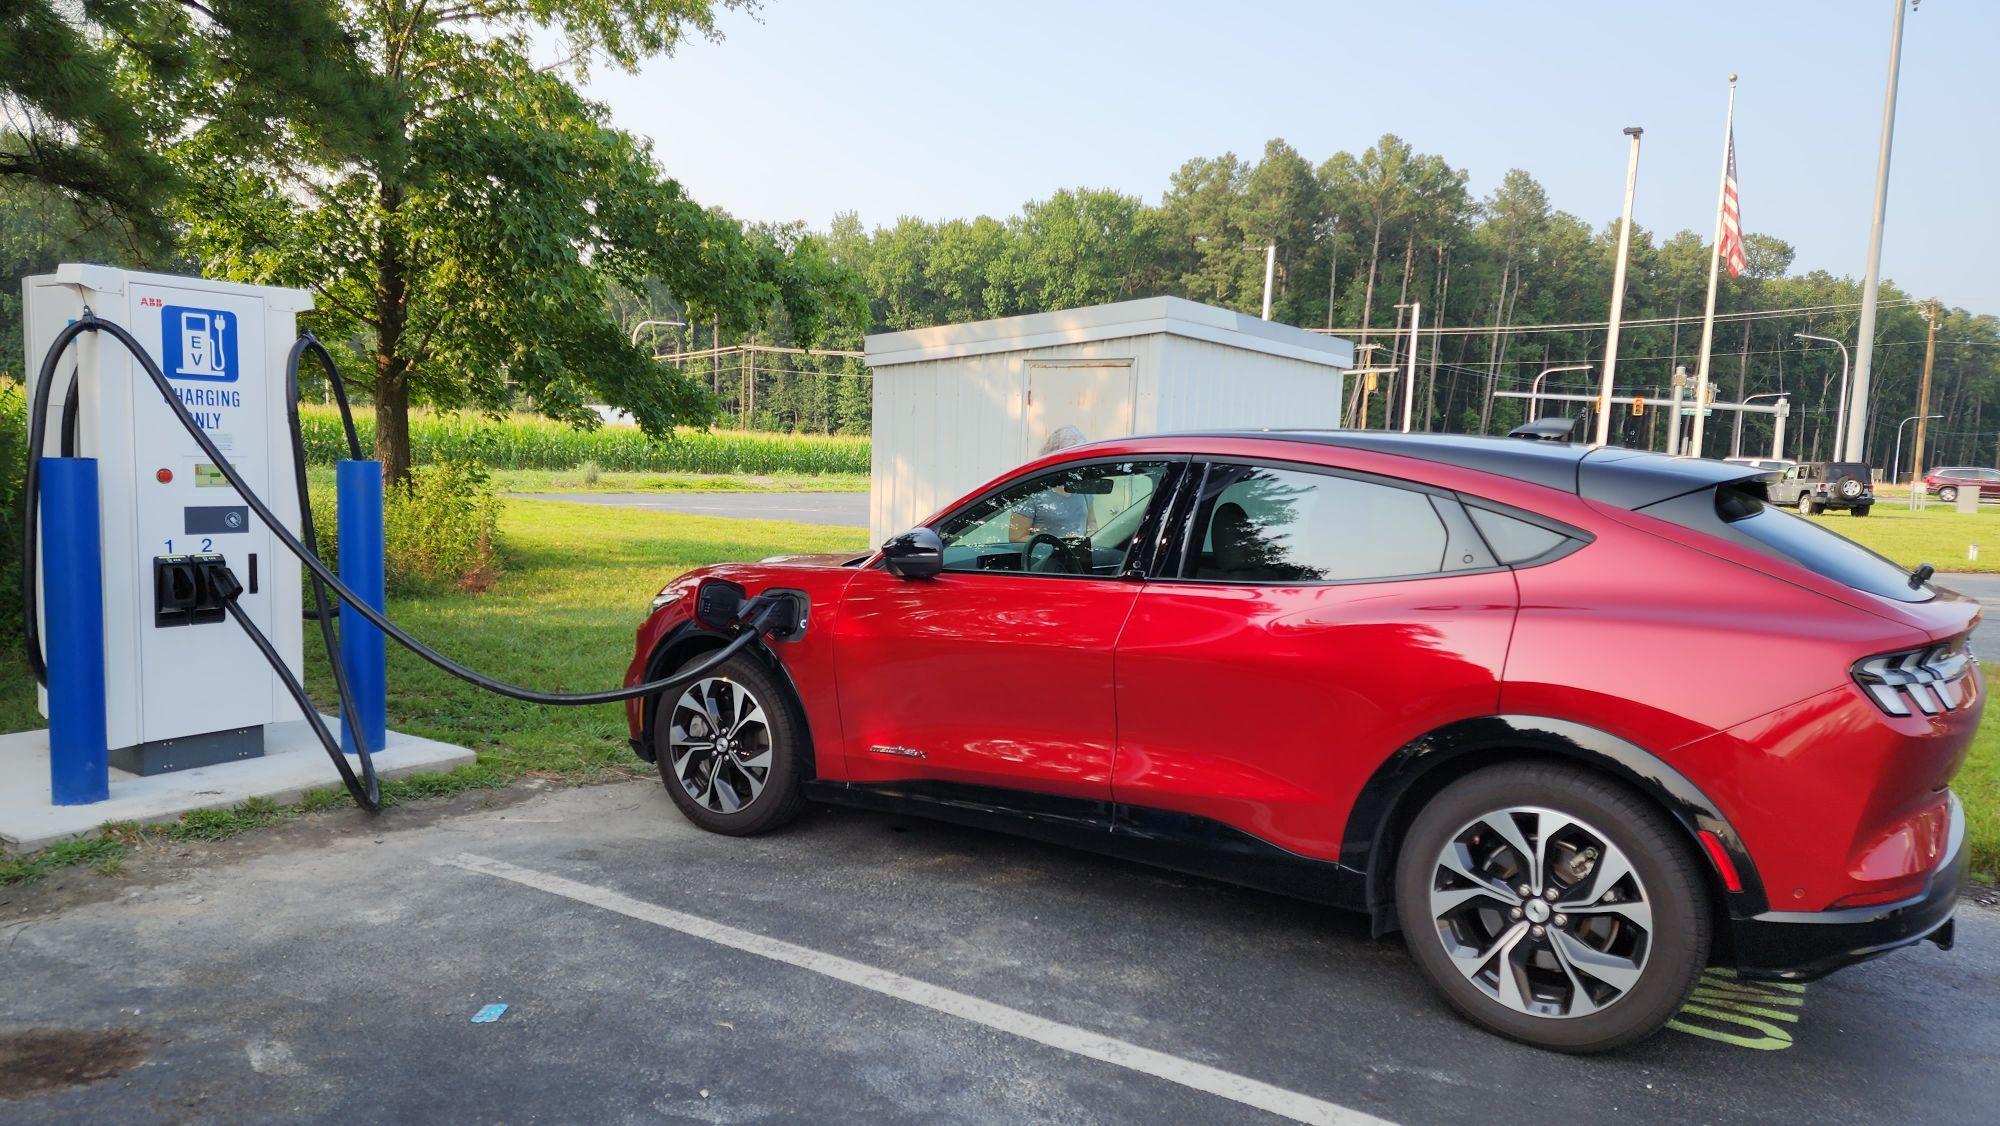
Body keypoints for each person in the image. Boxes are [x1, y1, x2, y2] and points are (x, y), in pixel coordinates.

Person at [1010, 426, 1096, 542]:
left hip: (1079, 558)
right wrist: (1060, 545)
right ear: (1053, 457)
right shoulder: (1032, 491)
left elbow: (1092, 523)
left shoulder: (1082, 488)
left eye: (1078, 458)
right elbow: (1016, 538)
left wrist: (1090, 537)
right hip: (1043, 559)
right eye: (1069, 458)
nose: (1074, 465)